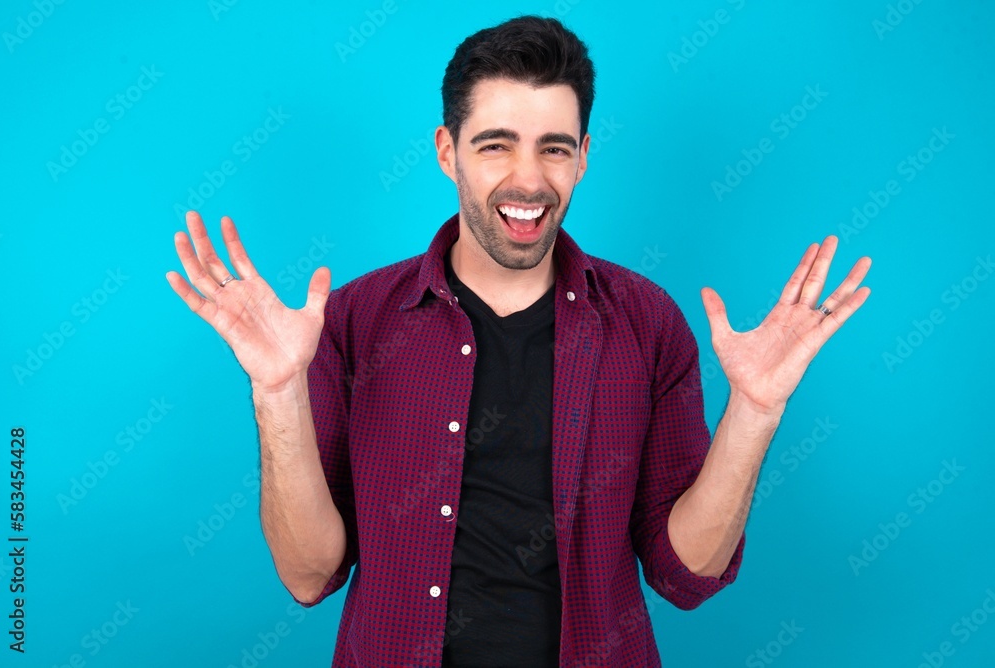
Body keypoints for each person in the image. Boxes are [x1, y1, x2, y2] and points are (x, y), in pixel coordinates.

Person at [166, 14, 871, 668]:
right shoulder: (354, 323)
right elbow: (308, 573)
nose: (528, 179)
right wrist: (278, 393)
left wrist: (756, 410)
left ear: (584, 156)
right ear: (448, 151)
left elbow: (685, 574)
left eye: (554, 148)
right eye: (495, 145)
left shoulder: (648, 324)